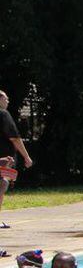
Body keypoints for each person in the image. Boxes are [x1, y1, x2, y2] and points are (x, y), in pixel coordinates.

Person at [0, 90, 33, 229]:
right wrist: (26, 156)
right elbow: (14, 137)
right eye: (6, 99)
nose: (8, 101)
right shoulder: (3, 114)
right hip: (4, 160)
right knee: (1, 185)